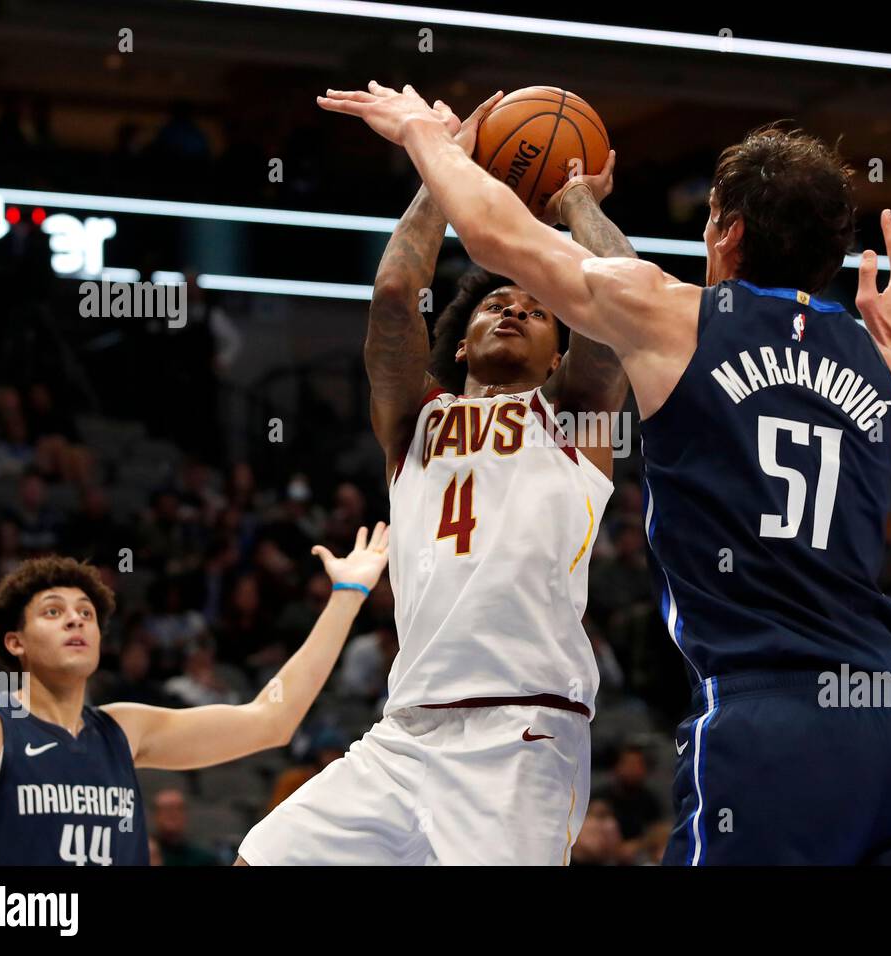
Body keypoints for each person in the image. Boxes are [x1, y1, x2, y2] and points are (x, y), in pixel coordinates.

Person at [318, 82, 891, 864]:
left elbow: (492, 233)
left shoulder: (677, 316)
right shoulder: (883, 362)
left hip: (767, 717)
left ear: (728, 231)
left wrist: (424, 137)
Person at [238, 95, 633, 865]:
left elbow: (621, 297)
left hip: (523, 731)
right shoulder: (414, 422)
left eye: (537, 310)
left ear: (559, 356)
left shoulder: (578, 420)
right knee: (261, 856)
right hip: (406, 728)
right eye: (495, 302)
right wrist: (441, 166)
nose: (514, 309)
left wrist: (576, 199)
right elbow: (393, 296)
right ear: (459, 346)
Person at [0, 524, 388, 865]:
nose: (76, 620)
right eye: (53, 611)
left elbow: (272, 718)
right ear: (15, 642)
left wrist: (347, 594)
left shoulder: (123, 729)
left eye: (86, 613)